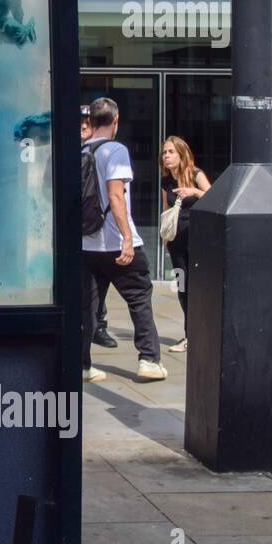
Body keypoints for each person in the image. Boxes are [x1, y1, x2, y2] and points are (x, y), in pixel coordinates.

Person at [81, 97, 166, 383]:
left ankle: (83, 365)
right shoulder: (115, 150)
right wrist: (128, 238)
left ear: (90, 121)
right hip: (115, 242)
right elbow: (116, 195)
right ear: (115, 121)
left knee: (88, 307)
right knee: (140, 298)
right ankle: (149, 360)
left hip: (86, 244)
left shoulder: (80, 150)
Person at [160, 135, 211, 353]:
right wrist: (164, 238)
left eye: (171, 152)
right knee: (182, 288)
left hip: (197, 240)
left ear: (182, 154)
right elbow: (166, 209)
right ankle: (190, 335)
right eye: (164, 152)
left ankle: (202, 333)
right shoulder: (166, 181)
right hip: (176, 243)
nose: (166, 156)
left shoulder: (196, 175)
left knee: (198, 287)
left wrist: (194, 192)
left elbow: (215, 197)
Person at [81, 106, 115, 350]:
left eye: (86, 123)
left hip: (101, 230)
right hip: (79, 232)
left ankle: (98, 327)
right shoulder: (71, 153)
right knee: (86, 288)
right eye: (80, 123)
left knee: (98, 286)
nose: (83, 127)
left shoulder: (103, 152)